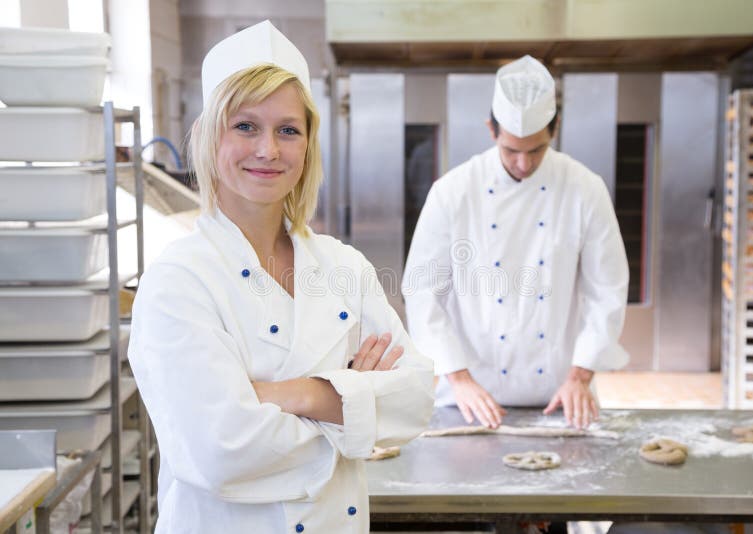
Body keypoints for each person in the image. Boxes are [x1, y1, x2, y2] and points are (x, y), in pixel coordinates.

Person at [128, 20, 434, 533]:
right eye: (245, 126)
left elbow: (415, 401)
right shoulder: (178, 281)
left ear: (309, 144)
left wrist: (299, 395)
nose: (268, 149)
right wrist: (354, 404)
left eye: (287, 129)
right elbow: (220, 452)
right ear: (208, 135)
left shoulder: (343, 266)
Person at [402, 55, 628, 430]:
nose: (524, 163)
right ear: (491, 130)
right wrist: (458, 379)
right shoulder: (454, 191)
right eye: (511, 151)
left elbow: (607, 289)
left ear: (553, 131)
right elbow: (423, 291)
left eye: (535, 150)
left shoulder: (585, 189)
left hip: (560, 395)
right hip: (469, 398)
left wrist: (580, 377)